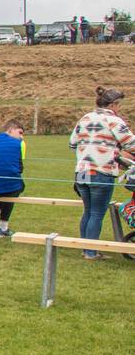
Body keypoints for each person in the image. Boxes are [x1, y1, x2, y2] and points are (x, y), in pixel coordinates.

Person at [69, 87, 135, 259]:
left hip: (81, 173)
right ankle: (91, 252)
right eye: (119, 105)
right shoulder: (114, 120)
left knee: (88, 211)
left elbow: (72, 144)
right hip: (101, 172)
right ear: (113, 104)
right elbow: (131, 144)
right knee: (97, 213)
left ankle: (86, 249)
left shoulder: (85, 118)